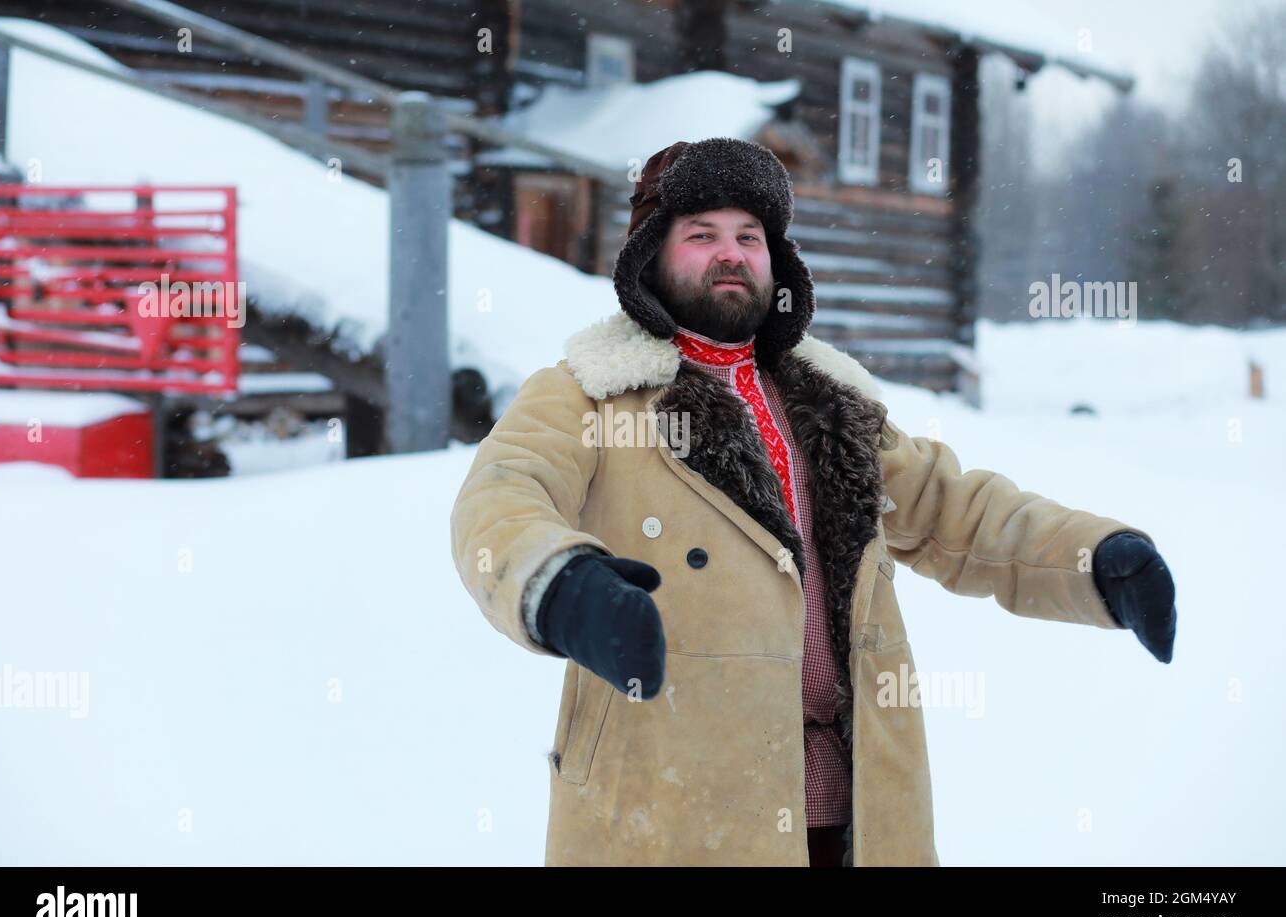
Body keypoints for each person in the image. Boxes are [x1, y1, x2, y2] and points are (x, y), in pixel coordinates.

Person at [449, 137, 1177, 866]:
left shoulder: (833, 402)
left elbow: (960, 511)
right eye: (701, 235)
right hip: (672, 816)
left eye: (749, 238)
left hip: (855, 821)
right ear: (650, 258)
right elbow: (502, 495)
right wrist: (562, 585)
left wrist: (1095, 558)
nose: (730, 254)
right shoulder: (589, 391)